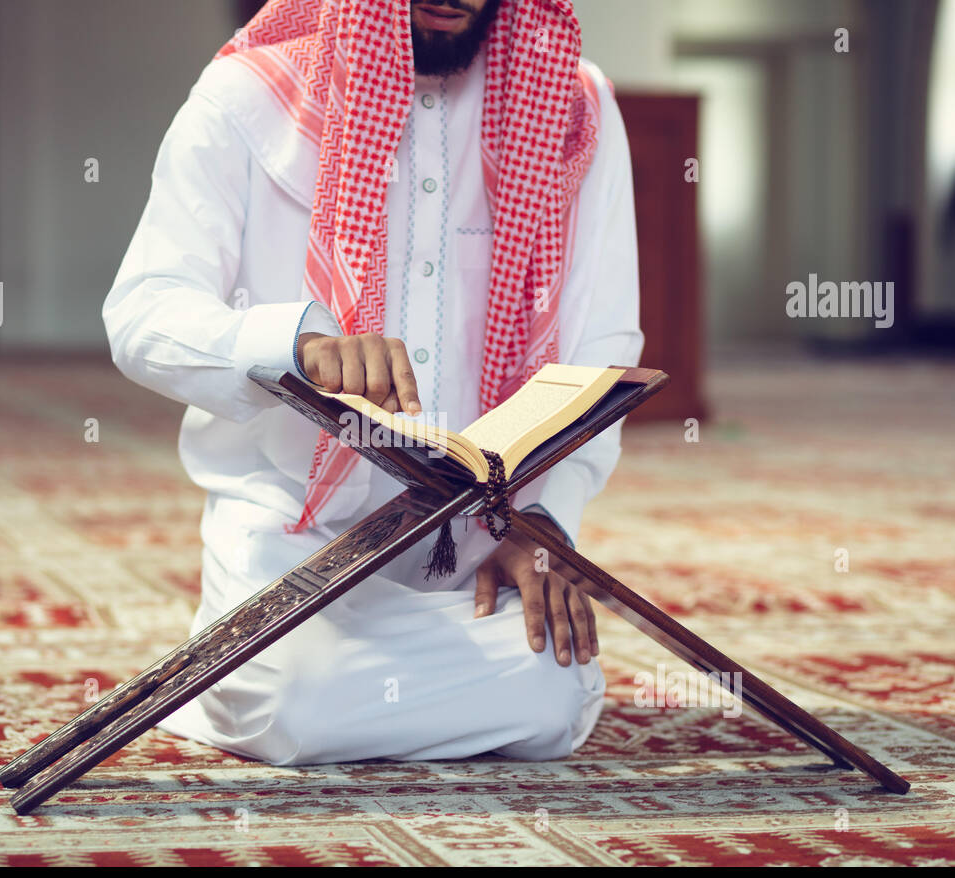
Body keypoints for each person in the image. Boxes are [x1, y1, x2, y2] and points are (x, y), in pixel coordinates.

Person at [102, 0, 642, 765]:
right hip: (293, 547)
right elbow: (142, 311)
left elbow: (601, 347)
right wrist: (295, 346)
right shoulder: (247, 96)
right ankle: (248, 663)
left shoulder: (573, 105)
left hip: (480, 550)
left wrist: (543, 522)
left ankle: (233, 673)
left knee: (550, 697)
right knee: (302, 702)